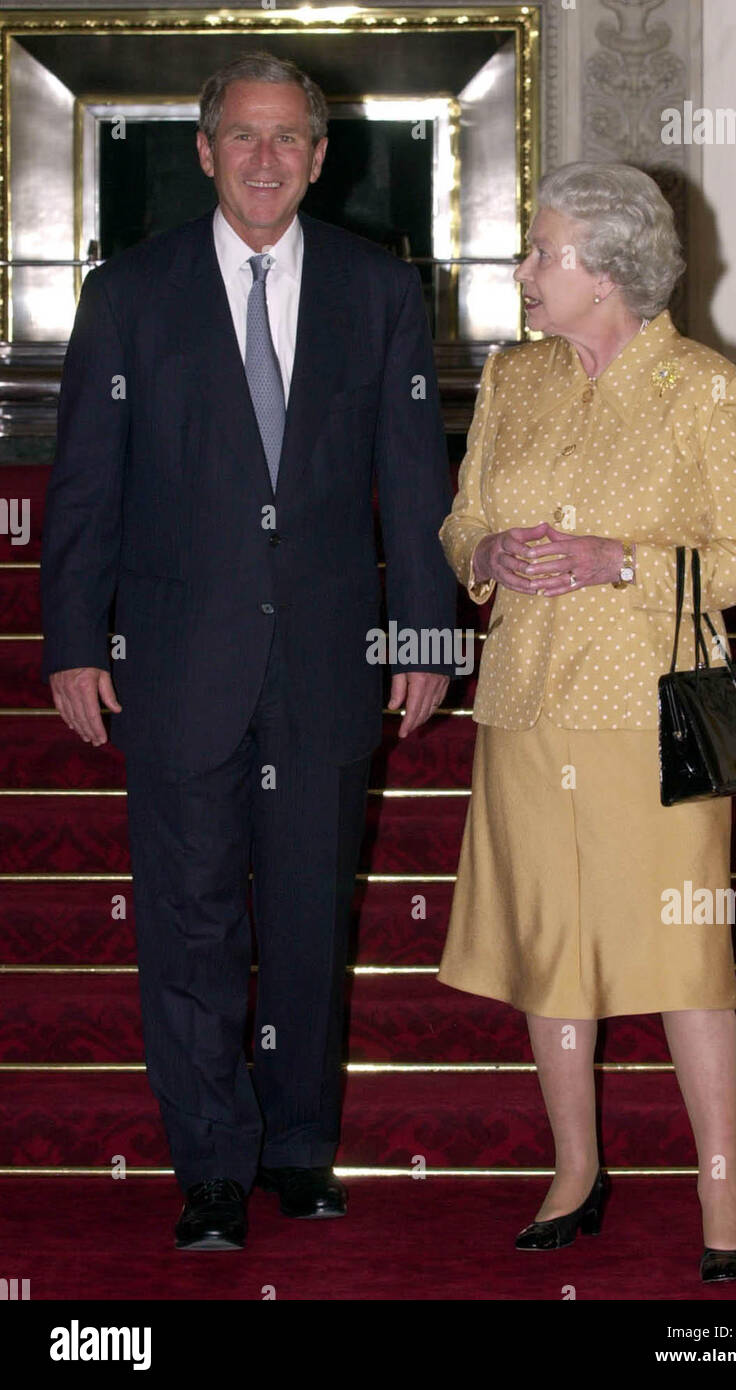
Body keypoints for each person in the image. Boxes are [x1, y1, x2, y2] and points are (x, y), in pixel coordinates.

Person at [40, 52, 455, 1250]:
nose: (267, 158)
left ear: (320, 159)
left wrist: (425, 626)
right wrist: (73, 635)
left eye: (290, 140)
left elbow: (413, 475)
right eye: (245, 137)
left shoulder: (379, 292)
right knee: (189, 916)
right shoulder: (129, 292)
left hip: (326, 654)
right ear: (207, 149)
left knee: (315, 914)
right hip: (175, 656)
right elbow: (84, 487)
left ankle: (297, 1147)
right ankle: (210, 1162)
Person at [436, 162, 736, 1282]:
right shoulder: (512, 380)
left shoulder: (709, 389)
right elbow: (463, 519)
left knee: (681, 958)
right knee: (550, 954)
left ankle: (720, 1175)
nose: (524, 270)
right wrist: (484, 555)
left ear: (611, 271)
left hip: (659, 715)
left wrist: (616, 560)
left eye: (544, 253)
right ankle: (575, 1165)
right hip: (530, 705)